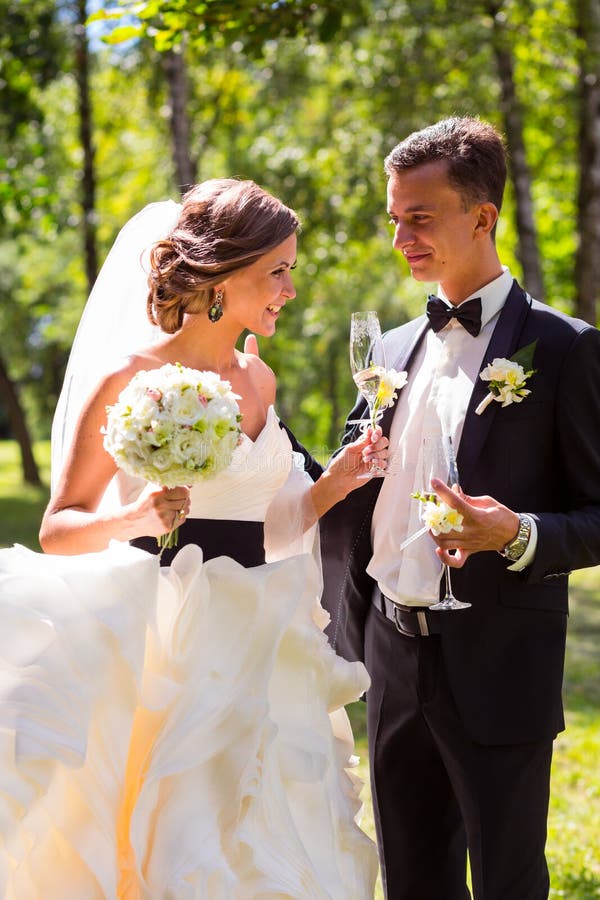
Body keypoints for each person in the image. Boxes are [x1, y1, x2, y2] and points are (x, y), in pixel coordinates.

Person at [0, 178, 382, 897]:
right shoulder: (129, 378)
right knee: (174, 839)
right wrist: (137, 518)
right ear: (221, 277)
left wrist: (336, 481)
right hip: (164, 643)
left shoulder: (259, 381)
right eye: (277, 271)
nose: (289, 291)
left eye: (290, 271)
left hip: (260, 639)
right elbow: (60, 528)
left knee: (264, 838)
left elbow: (273, 524)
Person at [320, 117, 600, 900]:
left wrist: (517, 533)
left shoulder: (566, 349)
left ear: (483, 217)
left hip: (499, 661)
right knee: (411, 881)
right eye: (394, 219)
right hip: (391, 653)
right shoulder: (389, 348)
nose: (401, 237)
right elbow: (353, 489)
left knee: (508, 884)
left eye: (420, 217)